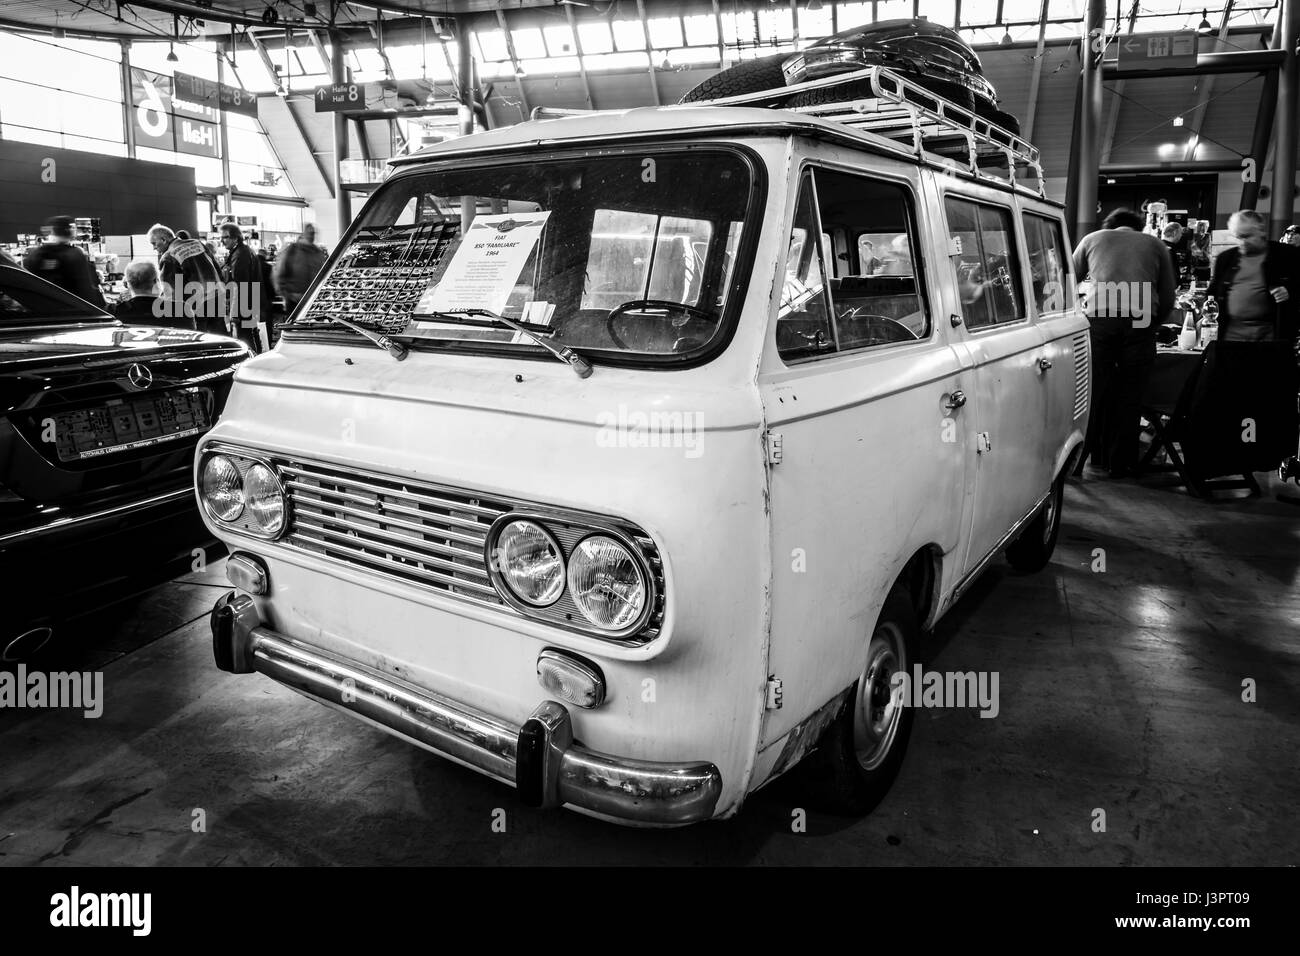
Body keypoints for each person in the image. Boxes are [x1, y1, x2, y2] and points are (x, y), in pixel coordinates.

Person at [1072, 207, 1177, 478]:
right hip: (1141, 319)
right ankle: (1121, 465)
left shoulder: (1091, 239)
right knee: (1131, 395)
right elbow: (1168, 294)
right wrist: (1152, 324)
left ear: (1111, 225)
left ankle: (1077, 461)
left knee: (1092, 392)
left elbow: (1067, 278)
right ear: (1138, 227)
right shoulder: (1154, 244)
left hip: (1100, 319)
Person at [1207, 210, 1300, 344]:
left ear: (1261, 231)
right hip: (1231, 335)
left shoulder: (1286, 255)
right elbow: (1213, 293)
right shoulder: (1225, 259)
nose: (1242, 242)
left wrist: (1289, 291)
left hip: (1271, 336)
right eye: (1238, 237)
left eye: (1247, 236)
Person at [149, 223, 224, 335]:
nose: (154, 248)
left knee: (200, 341)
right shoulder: (198, 244)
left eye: (154, 243)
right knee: (220, 337)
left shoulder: (169, 257)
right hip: (216, 298)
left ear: (164, 240)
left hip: (196, 307)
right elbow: (217, 269)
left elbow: (172, 293)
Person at [22, 215, 105, 308]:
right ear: (69, 231)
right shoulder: (75, 254)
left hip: (42, 311)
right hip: (73, 311)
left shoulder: (35, 254)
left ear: (51, 231)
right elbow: (86, 289)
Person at [218, 223, 265, 353]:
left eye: (226, 237)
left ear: (236, 238)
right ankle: (256, 359)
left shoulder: (240, 255)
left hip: (243, 302)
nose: (222, 241)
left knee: (245, 338)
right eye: (221, 237)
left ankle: (251, 363)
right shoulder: (243, 251)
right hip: (250, 300)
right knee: (251, 334)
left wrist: (235, 311)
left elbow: (239, 285)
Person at [274, 224, 327, 315]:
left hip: (313, 301)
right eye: (310, 233)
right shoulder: (292, 250)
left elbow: (323, 274)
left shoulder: (318, 253)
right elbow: (279, 274)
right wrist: (287, 295)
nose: (312, 236)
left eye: (313, 233)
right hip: (295, 301)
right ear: (304, 234)